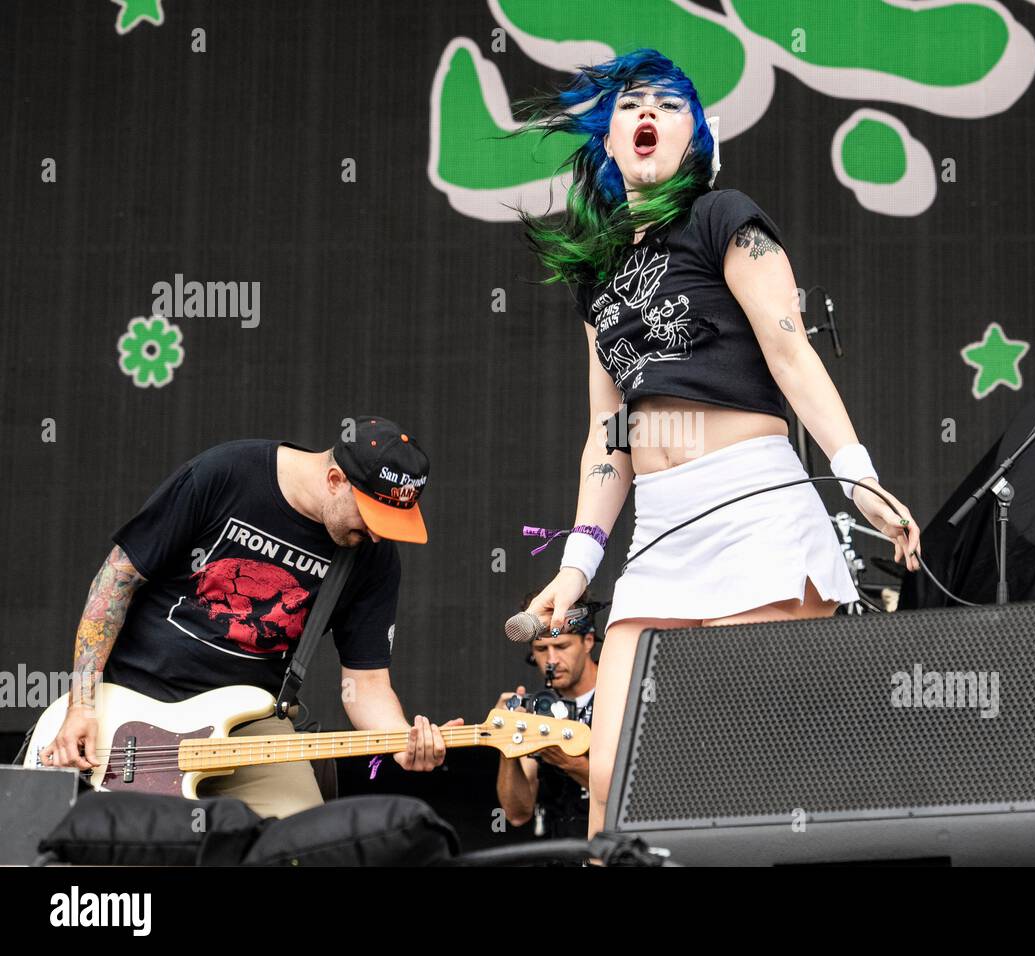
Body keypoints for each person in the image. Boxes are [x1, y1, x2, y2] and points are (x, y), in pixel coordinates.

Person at [509, 49, 923, 841]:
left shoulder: (724, 215)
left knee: (727, 762)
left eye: (668, 105)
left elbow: (790, 350)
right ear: (608, 137)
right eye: (632, 104)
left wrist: (858, 477)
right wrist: (577, 564)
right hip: (661, 532)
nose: (647, 115)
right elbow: (610, 433)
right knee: (608, 778)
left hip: (752, 509)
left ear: (695, 137)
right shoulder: (596, 277)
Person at [39, 416, 463, 818]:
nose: (376, 534)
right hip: (132, 702)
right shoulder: (225, 474)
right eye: (372, 517)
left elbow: (366, 686)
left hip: (249, 725)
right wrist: (83, 705)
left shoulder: (373, 557)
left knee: (305, 844)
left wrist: (399, 741)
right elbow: (113, 583)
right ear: (335, 481)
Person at [494, 588, 599, 840]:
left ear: (588, 641)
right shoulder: (538, 708)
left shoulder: (620, 698)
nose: (552, 660)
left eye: (561, 646)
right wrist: (506, 744)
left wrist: (573, 764)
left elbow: (642, 797)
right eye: (541, 650)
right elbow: (517, 813)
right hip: (558, 850)